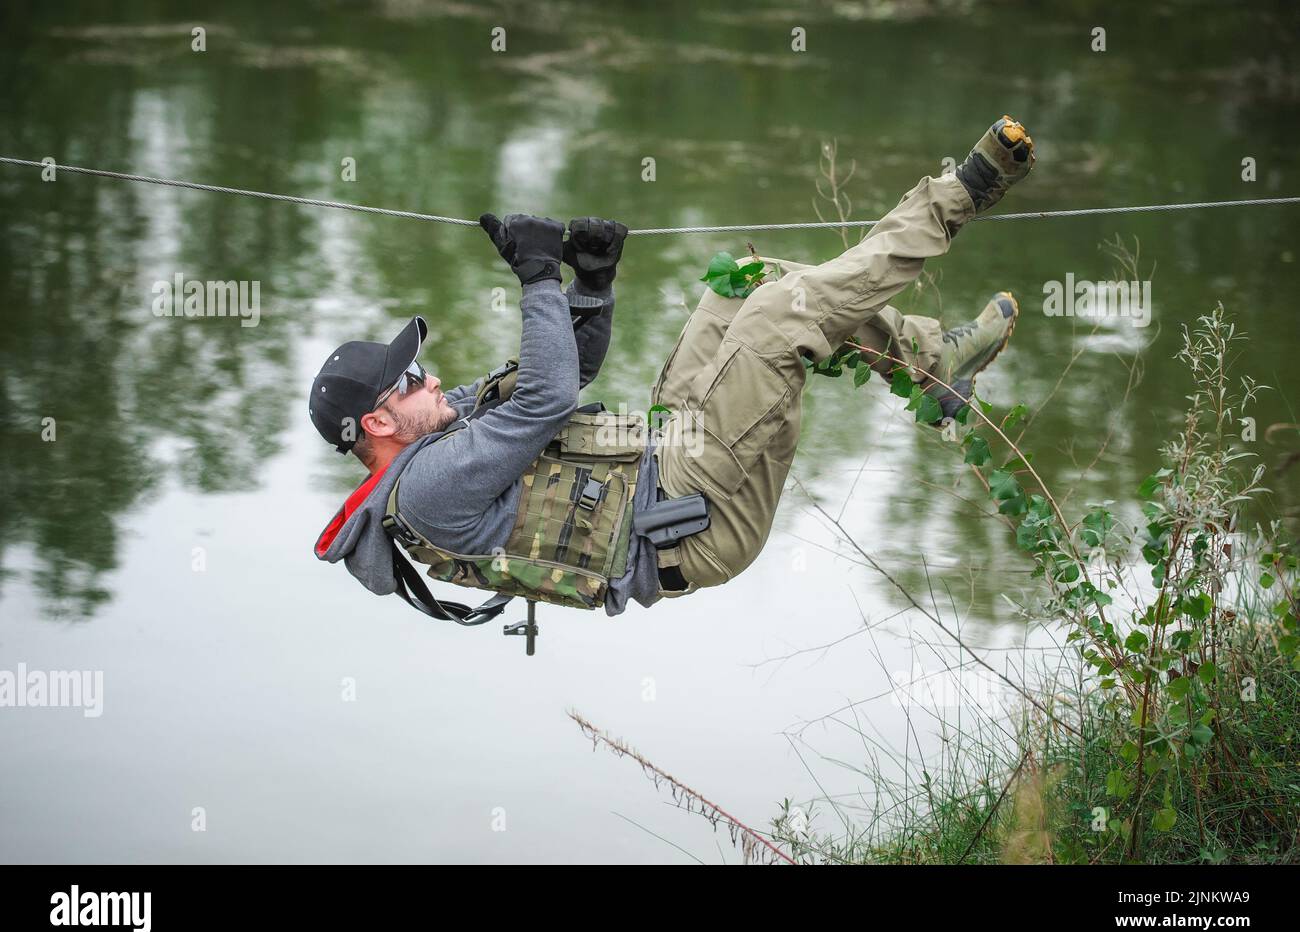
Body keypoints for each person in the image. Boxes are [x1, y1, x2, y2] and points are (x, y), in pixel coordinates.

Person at [311, 115, 1035, 620]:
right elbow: (545, 395)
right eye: (409, 380)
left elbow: (574, 373)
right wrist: (535, 277)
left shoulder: (443, 431)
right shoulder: (429, 488)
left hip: (670, 457)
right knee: (781, 318)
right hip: (691, 519)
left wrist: (589, 283)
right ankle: (961, 195)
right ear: (376, 420)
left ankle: (933, 370)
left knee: (743, 283)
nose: (429, 379)